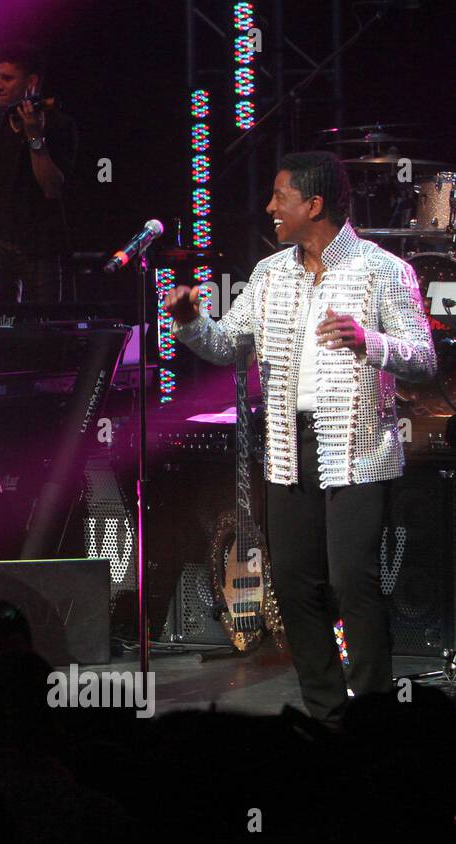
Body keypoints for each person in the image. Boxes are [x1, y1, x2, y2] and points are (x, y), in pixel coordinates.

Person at [167, 151, 436, 726]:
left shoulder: (383, 269)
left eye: (279, 197)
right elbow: (228, 345)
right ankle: (327, 714)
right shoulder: (269, 275)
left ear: (313, 205)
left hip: (359, 449)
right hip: (290, 447)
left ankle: (376, 720)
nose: (269, 207)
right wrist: (191, 323)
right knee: (291, 583)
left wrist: (371, 341)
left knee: (353, 584)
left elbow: (423, 358)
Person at [0, 44, 76, 305]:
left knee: (43, 322)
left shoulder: (59, 125)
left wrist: (35, 135)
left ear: (31, 83)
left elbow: (52, 187)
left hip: (40, 244)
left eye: (8, 78)